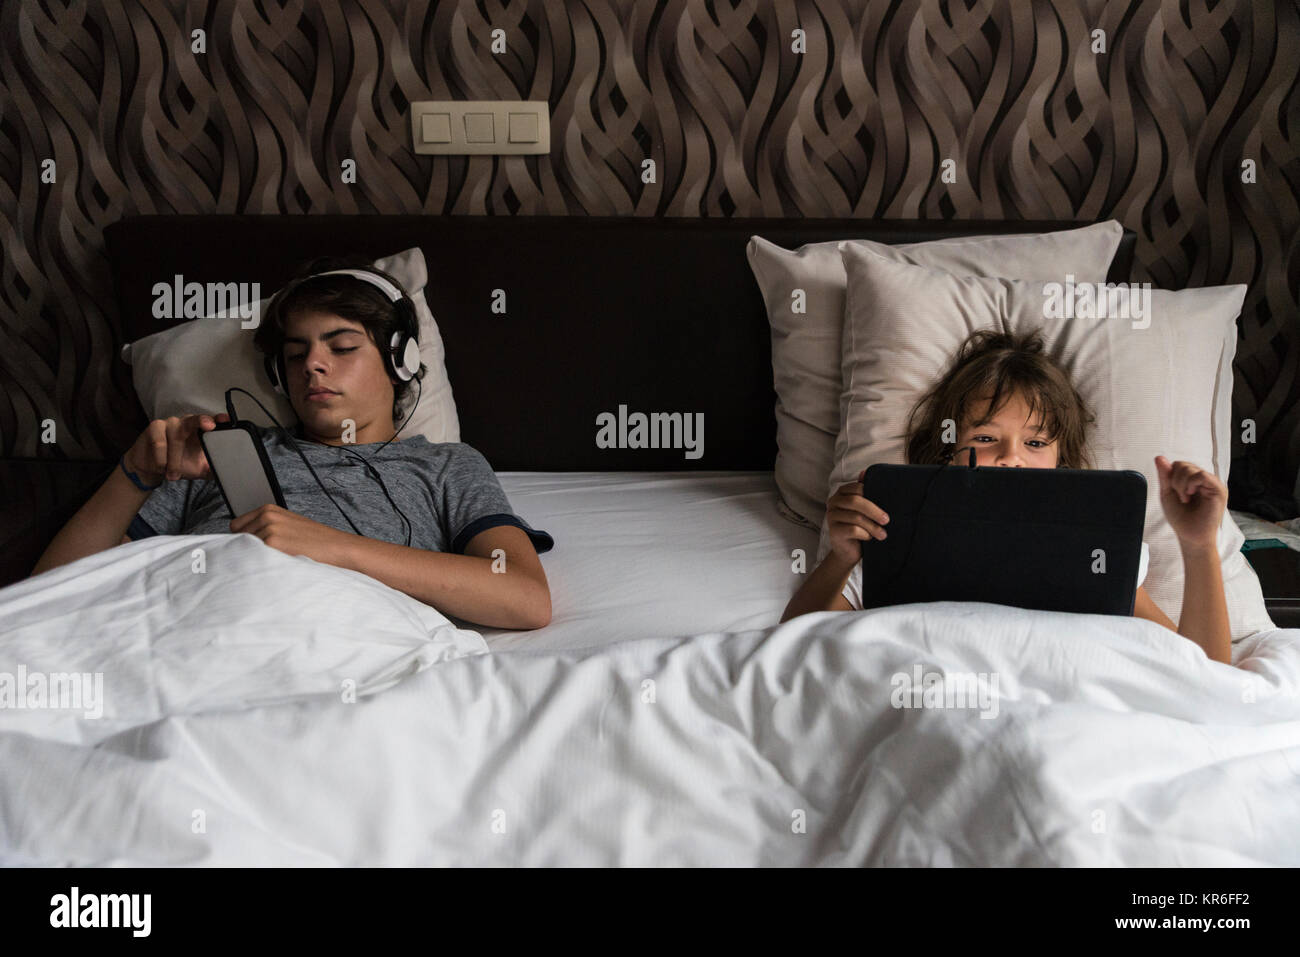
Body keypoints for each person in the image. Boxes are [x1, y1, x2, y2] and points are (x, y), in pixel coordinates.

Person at [30, 257, 553, 631]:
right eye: (295, 355)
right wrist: (134, 475)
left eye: (343, 346)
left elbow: (525, 597)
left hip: (342, 645)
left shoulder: (444, 464)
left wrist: (332, 547)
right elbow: (50, 596)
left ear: (402, 363)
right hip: (192, 636)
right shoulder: (214, 452)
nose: (313, 366)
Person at [780, 330, 1233, 666]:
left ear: (1062, 461)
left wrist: (1199, 547)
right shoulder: (895, 537)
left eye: (1035, 444)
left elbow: (1206, 672)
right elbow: (791, 650)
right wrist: (838, 559)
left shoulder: (1095, 553)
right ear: (948, 450)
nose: (1011, 458)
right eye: (985, 437)